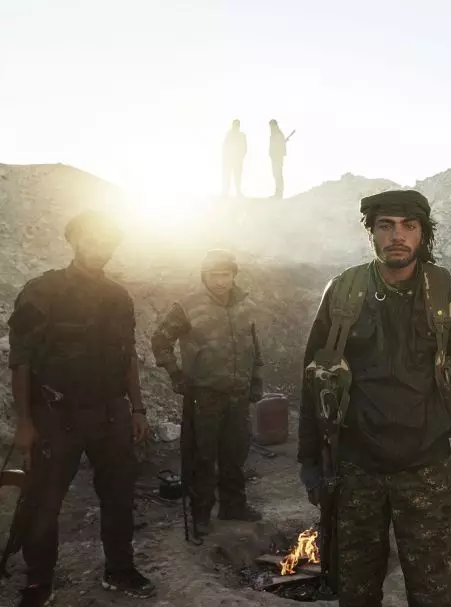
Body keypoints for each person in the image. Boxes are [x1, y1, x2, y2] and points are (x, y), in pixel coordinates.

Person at [298, 189, 451, 606]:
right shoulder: (344, 292)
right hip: (356, 469)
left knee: (434, 590)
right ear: (371, 233)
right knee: (356, 590)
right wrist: (310, 461)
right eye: (386, 226)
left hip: (425, 468)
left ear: (423, 234)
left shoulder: (445, 292)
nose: (397, 236)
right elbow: (313, 378)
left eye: (408, 226)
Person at [7, 210, 155, 606]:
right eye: (91, 239)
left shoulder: (119, 297)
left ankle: (120, 570)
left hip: (110, 413)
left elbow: (128, 356)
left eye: (107, 241)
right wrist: (24, 422)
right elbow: (20, 360)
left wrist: (137, 408)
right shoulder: (42, 291)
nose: (99, 248)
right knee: (44, 502)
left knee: (120, 497)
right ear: (74, 242)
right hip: (57, 417)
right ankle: (39, 582)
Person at [151, 249, 265, 535]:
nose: (220, 281)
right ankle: (201, 514)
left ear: (233, 275)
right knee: (202, 456)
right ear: (205, 276)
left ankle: (233, 506)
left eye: (225, 274)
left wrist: (256, 380)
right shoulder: (188, 306)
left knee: (235, 452)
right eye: (214, 275)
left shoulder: (244, 305)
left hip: (237, 394)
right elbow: (160, 341)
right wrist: (176, 374)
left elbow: (253, 345)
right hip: (204, 394)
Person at [222, 119, 247, 197]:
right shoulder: (230, 134)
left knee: (237, 176)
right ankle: (226, 191)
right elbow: (225, 146)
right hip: (230, 159)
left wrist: (241, 156)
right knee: (228, 175)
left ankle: (237, 191)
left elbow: (244, 148)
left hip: (236, 159)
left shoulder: (240, 135)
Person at [268, 119, 286, 199]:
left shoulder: (278, 134)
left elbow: (281, 147)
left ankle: (279, 193)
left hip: (277, 158)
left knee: (278, 175)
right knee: (276, 175)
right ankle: (278, 192)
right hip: (274, 158)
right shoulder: (275, 134)